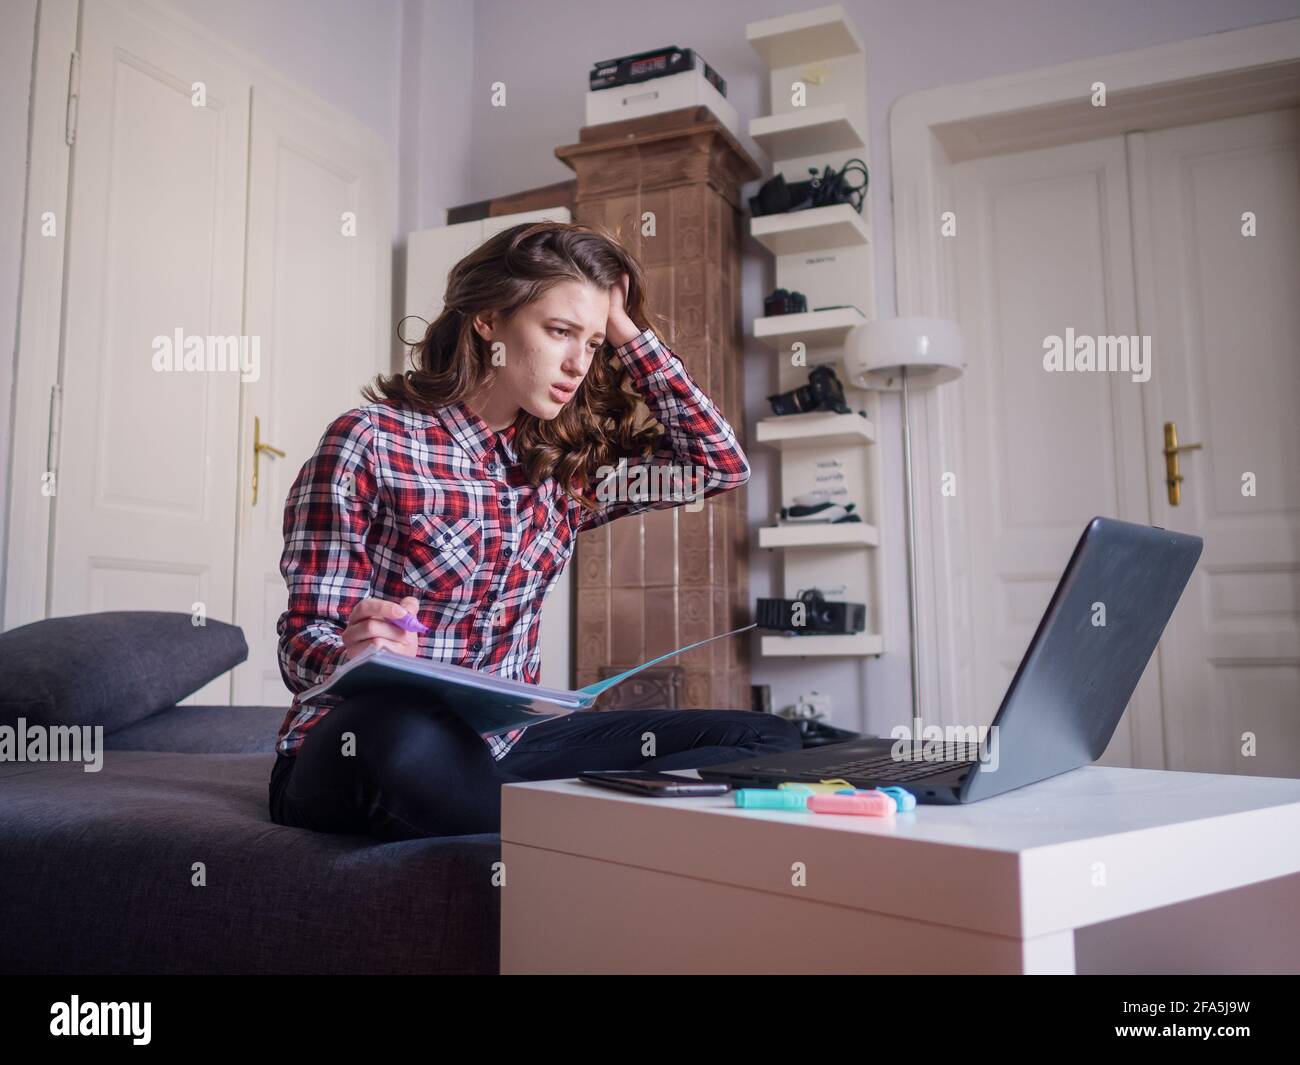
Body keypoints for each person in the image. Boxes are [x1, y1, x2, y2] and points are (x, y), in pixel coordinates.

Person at [268, 220, 802, 840]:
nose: (578, 363)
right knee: (398, 738)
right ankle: (577, 827)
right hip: (365, 745)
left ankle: (552, 821)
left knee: (765, 738)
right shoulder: (370, 441)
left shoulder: (565, 471)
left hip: (502, 747)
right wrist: (352, 653)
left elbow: (718, 466)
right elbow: (302, 644)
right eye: (559, 331)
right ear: (488, 320)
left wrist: (628, 332)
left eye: (593, 343)